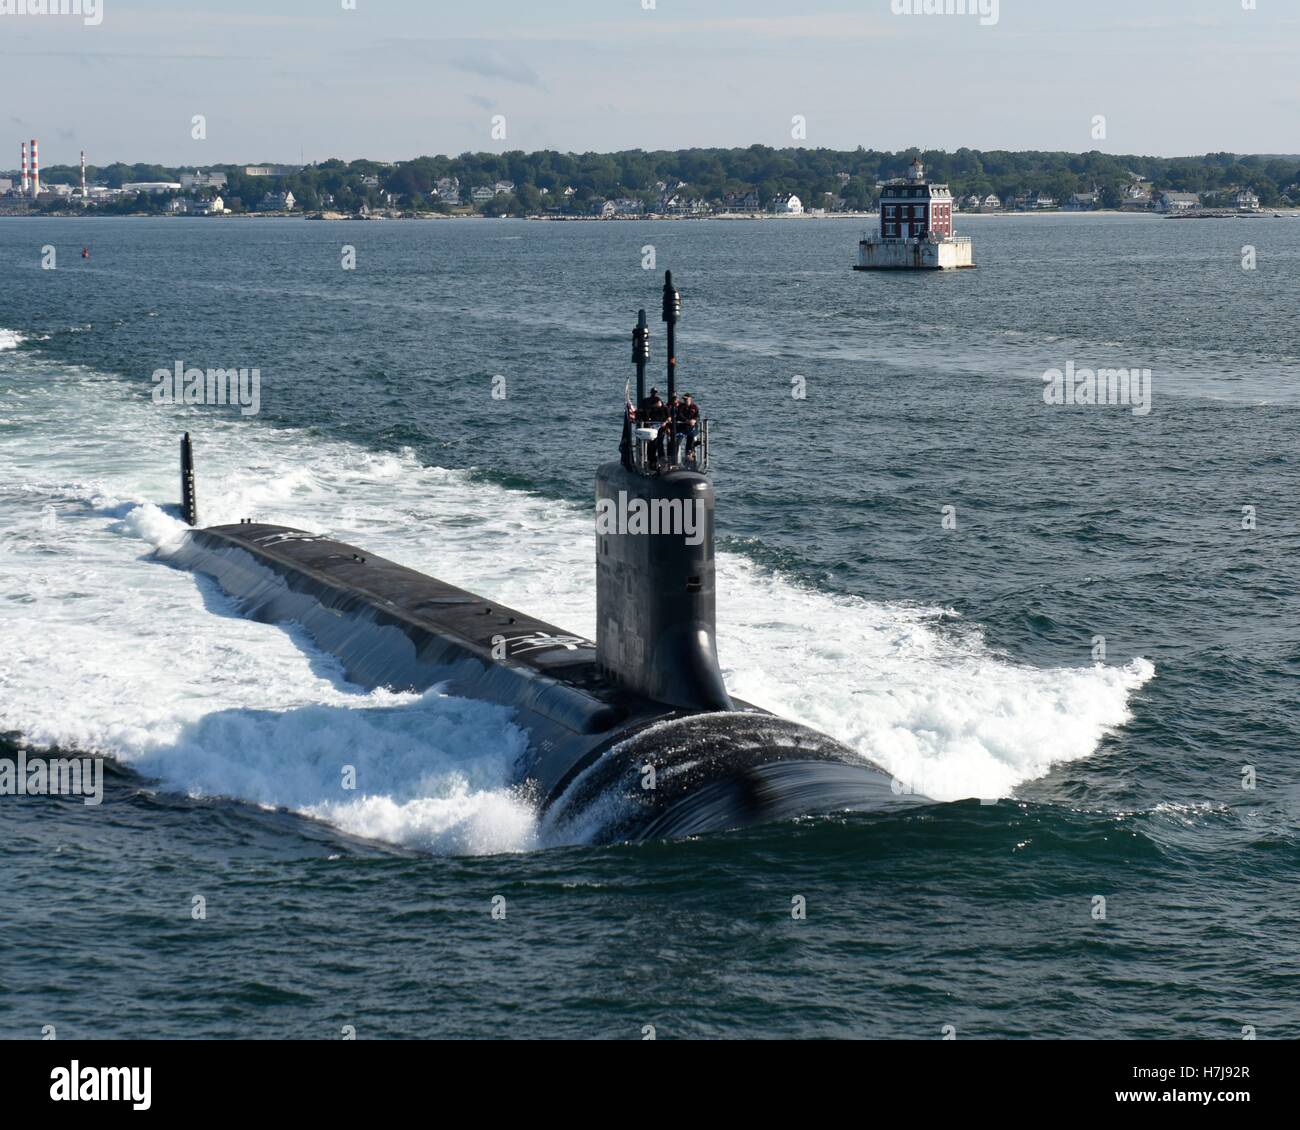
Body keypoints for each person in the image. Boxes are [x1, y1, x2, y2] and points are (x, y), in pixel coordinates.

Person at [677, 392, 701, 464]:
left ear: (690, 399)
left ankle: (689, 455)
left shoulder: (694, 407)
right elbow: (679, 415)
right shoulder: (681, 407)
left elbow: (697, 417)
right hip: (682, 427)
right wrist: (687, 421)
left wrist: (694, 420)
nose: (685, 401)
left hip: (691, 428)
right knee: (678, 440)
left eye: (686, 399)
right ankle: (674, 459)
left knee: (691, 437)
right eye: (684, 399)